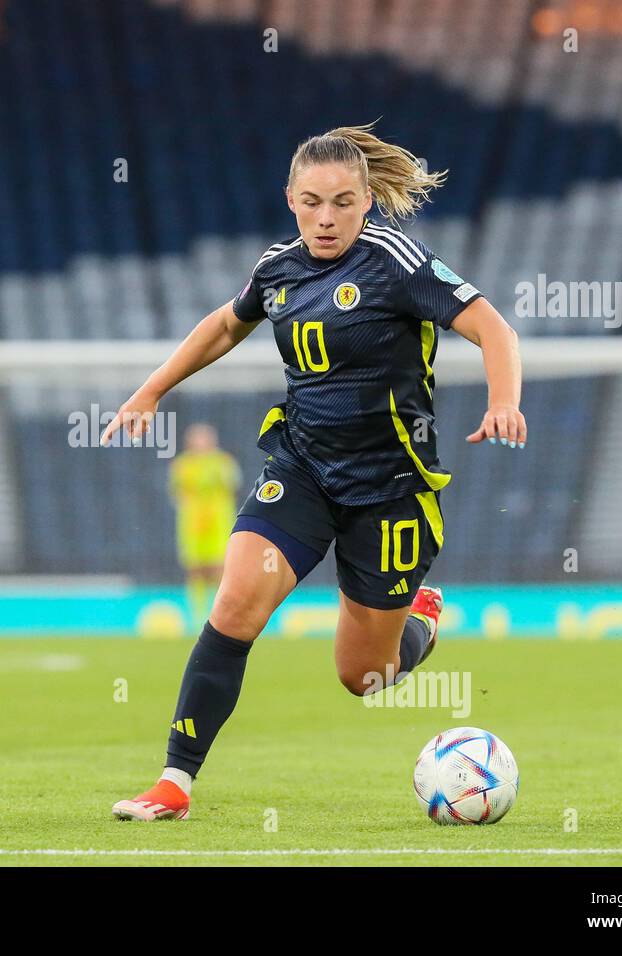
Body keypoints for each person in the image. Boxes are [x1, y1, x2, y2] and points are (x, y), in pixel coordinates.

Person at [104, 122, 525, 821]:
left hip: (390, 491)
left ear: (366, 202)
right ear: (290, 200)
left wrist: (504, 400)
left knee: (363, 676)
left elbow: (494, 329)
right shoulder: (279, 267)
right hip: (301, 470)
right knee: (236, 603)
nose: (325, 218)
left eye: (342, 202)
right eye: (311, 202)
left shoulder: (397, 261)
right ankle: (175, 781)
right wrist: (152, 389)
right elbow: (223, 325)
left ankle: (417, 623)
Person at [169, 423, 240, 623]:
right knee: (195, 569)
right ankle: (197, 617)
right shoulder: (183, 465)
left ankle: (220, 614)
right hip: (193, 525)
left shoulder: (223, 462)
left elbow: (231, 487)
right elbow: (178, 493)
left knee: (219, 569)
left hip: (218, 523)